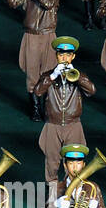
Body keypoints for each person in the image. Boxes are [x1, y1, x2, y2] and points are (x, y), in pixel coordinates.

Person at [0, 0, 60, 94]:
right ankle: (35, 107)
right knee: (32, 71)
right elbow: (13, 3)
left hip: (48, 34)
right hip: (31, 35)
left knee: (48, 70)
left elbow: (48, 5)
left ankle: (48, 104)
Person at [34, 38, 96, 178]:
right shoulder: (48, 75)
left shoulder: (79, 74)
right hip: (52, 125)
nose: (64, 58)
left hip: (73, 125)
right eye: (61, 55)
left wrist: (78, 77)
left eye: (68, 55)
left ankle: (72, 194)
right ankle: (52, 197)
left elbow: (91, 90)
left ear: (73, 56)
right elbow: (37, 92)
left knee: (74, 162)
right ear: (56, 56)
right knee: (52, 162)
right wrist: (52, 76)